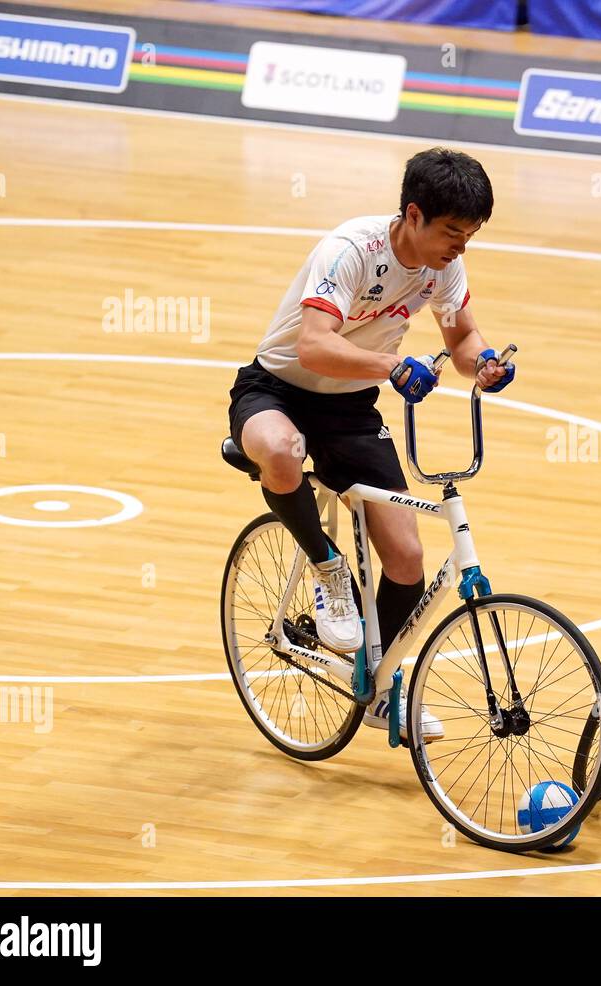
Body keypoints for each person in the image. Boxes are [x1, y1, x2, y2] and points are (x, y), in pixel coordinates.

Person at [226, 147, 514, 738]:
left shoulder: (444, 266)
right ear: (413, 214)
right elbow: (312, 345)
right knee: (280, 449)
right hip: (275, 389)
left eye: (470, 236)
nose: (460, 247)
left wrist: (482, 361)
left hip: (349, 408)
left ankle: (379, 681)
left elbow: (460, 335)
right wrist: (391, 365)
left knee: (407, 557)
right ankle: (327, 569)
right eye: (452, 233)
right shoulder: (352, 251)